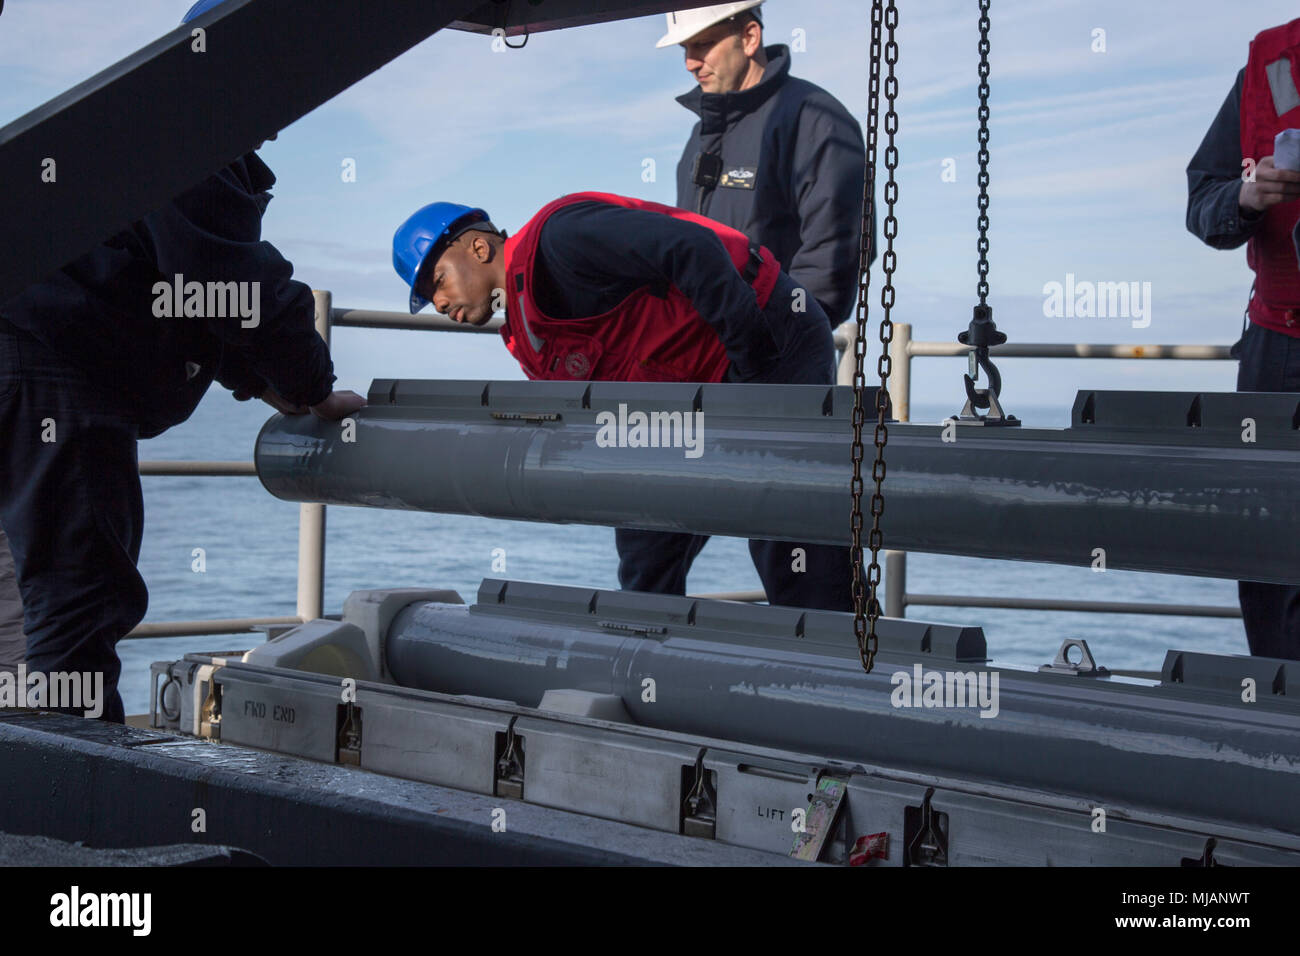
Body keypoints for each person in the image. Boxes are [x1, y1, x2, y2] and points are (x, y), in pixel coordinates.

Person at [0, 4, 365, 725]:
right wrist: (310, 386)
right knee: (76, 593)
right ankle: (70, 812)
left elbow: (166, 284)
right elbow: (223, 280)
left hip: (19, 356)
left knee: (17, 596)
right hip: (52, 371)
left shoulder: (126, 122)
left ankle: (22, 786)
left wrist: (257, 379)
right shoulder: (186, 129)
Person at [393, 192, 861, 610]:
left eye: (437, 281)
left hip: (769, 337)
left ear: (478, 247)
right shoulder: (523, 328)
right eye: (426, 296)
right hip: (683, 404)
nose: (438, 303)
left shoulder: (562, 237)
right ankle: (662, 686)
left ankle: (844, 681)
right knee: (645, 553)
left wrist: (754, 379)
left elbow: (690, 248)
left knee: (789, 539)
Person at [1186, 15, 1300, 660]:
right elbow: (1203, 201)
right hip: (1279, 350)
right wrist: (1249, 196)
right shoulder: (1265, 67)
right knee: (1269, 551)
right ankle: (1282, 729)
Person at [661, 1, 868, 327]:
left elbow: (833, 256)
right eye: (685, 48)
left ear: (749, 37)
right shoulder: (699, 137)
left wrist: (773, 341)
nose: (689, 62)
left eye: (702, 44)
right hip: (702, 353)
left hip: (773, 362)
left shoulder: (816, 121)